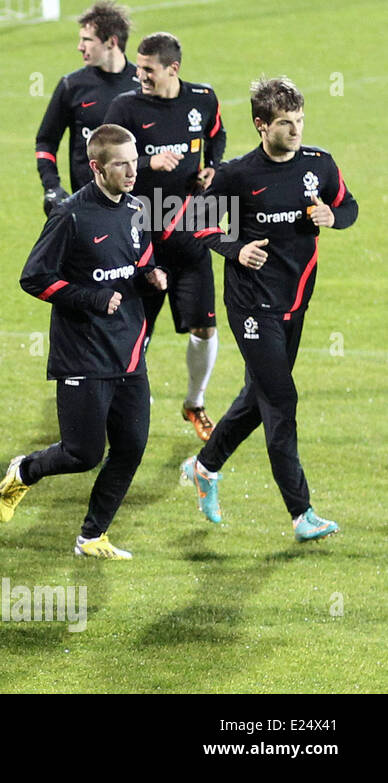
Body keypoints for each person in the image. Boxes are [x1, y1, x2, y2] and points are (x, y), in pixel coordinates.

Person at [180, 77, 356, 542]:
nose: (295, 130)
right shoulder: (238, 176)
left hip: (294, 302)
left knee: (259, 397)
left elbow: (350, 205)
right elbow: (192, 223)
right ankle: (302, 514)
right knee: (281, 399)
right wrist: (235, 249)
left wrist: (333, 217)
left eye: (299, 121)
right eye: (285, 123)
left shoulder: (319, 165)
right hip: (250, 303)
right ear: (261, 125)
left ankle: (204, 467)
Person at [0, 124, 167, 559]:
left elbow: (136, 261)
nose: (132, 171)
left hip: (128, 350)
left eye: (135, 161)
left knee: (131, 448)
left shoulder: (137, 208)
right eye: (121, 164)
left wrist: (150, 277)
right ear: (96, 167)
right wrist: (90, 298)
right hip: (83, 354)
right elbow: (33, 278)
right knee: (83, 453)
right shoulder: (70, 216)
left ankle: (92, 536)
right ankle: (26, 469)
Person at [103, 32, 226, 442]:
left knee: (205, 328)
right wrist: (146, 161)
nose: (139, 75)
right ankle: (126, 408)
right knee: (137, 332)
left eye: (148, 69)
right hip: (143, 238)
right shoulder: (126, 107)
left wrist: (213, 168)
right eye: (138, 67)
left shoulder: (203, 99)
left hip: (192, 232)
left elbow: (216, 135)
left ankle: (195, 401)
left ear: (172, 69)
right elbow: (105, 159)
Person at [34, 2, 139, 217]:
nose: (80, 46)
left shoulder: (142, 84)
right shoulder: (72, 86)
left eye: (87, 40)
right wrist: (52, 186)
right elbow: (46, 140)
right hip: (87, 206)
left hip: (136, 205)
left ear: (111, 42)